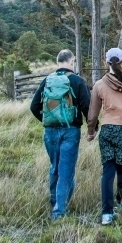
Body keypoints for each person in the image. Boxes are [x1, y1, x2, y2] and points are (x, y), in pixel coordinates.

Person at [30, 49, 91, 221]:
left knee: (54, 167)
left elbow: (34, 106)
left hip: (49, 131)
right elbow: (88, 107)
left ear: (58, 62)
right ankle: (59, 212)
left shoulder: (47, 80)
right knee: (66, 171)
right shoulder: (78, 81)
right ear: (72, 62)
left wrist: (47, 120)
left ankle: (54, 200)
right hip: (70, 130)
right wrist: (92, 127)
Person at [87, 48, 122, 226]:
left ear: (107, 62)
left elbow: (92, 113)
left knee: (108, 172)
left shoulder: (99, 85)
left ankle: (106, 213)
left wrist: (91, 132)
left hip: (108, 129)